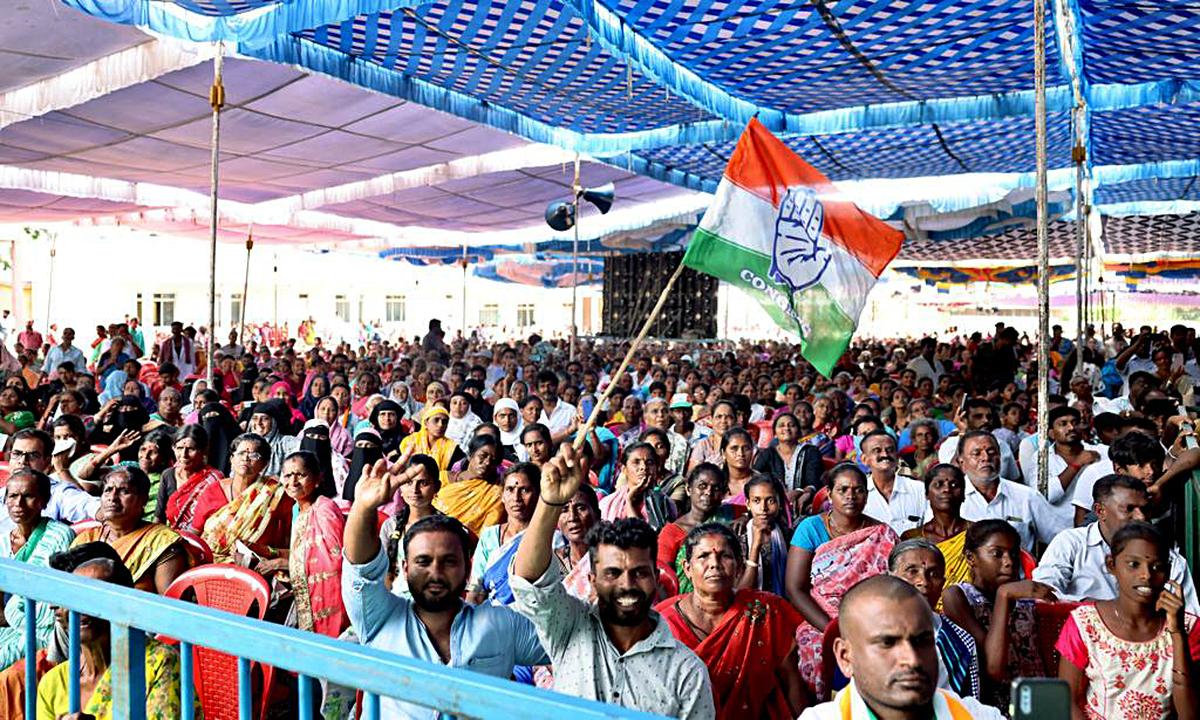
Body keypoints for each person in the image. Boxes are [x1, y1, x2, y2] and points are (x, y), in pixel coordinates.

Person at [510, 443, 716, 719]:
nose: (626, 584)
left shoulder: (686, 671)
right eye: (612, 573)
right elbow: (530, 581)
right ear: (593, 580)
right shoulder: (569, 628)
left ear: (656, 578)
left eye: (640, 573)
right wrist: (550, 503)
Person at [341, 458, 548, 720]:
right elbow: (362, 569)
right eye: (423, 561)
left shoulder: (500, 624)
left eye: (449, 561)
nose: (435, 572)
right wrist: (363, 507)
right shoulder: (381, 619)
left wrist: (549, 507)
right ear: (405, 569)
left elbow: (564, 638)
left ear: (467, 568)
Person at [656, 523, 807, 719]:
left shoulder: (763, 611)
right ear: (687, 568)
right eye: (703, 556)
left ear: (739, 567)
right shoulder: (662, 624)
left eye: (725, 556)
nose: (714, 564)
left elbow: (791, 680)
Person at [800, 576, 1002, 720]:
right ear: (845, 657)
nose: (912, 659)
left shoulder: (978, 716)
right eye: (887, 643)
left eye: (922, 641)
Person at [35, 547, 198, 719]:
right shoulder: (53, 683)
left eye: (96, 596)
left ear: (125, 606)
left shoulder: (158, 663)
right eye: (76, 597)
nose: (83, 607)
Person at [1057, 522, 1198, 720]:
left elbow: (1189, 714)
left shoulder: (1188, 628)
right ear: (1111, 565)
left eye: (1158, 567)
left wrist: (1177, 633)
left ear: (1168, 571)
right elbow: (1066, 702)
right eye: (1133, 564)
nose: (1146, 575)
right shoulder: (1085, 623)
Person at [785, 463, 898, 696]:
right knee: (817, 653)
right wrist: (832, 630)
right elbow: (795, 589)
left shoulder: (882, 534)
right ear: (829, 494)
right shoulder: (811, 528)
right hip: (820, 619)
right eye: (843, 489)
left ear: (867, 496)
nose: (851, 496)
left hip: (870, 619)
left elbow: (892, 586)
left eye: (858, 490)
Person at [1034, 474, 1200, 614]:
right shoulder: (1070, 543)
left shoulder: (1170, 559)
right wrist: (1101, 608)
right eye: (1129, 509)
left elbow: (1190, 616)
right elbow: (1042, 592)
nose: (1141, 517)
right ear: (1100, 511)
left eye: (1145, 509)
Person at [941, 519, 1055, 710]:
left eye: (1013, 554)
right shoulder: (958, 597)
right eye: (997, 554)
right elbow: (993, 668)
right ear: (971, 558)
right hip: (995, 707)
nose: (1009, 562)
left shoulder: (1025, 598)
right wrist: (1004, 596)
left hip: (1037, 700)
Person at [888, 539, 981, 700]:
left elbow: (969, 705)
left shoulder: (960, 642)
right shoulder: (867, 631)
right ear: (890, 578)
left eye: (934, 574)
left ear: (943, 584)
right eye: (912, 571)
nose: (923, 582)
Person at [0, 469, 75, 669]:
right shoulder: (2, 540)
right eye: (13, 496)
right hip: (7, 625)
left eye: (28, 496)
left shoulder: (60, 535)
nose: (19, 503)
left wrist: (10, 615)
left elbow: (48, 603)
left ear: (44, 501)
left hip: (39, 630)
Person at [72, 466, 188, 594]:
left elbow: (168, 605)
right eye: (108, 490)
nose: (113, 497)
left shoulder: (162, 542)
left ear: (143, 500)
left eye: (124, 491)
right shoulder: (86, 539)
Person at [955, 430, 1063, 552]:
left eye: (991, 452)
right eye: (976, 453)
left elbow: (1058, 538)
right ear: (962, 463)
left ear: (1000, 457)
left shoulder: (1026, 497)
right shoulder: (950, 499)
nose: (985, 458)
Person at [280, 451, 349, 638]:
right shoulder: (298, 508)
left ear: (318, 479)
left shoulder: (324, 508)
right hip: (305, 591)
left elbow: (334, 560)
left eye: (301, 475)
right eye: (287, 475)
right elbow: (303, 550)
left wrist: (281, 564)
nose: (293, 482)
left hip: (328, 594)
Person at [199, 434, 294, 568]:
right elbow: (195, 533)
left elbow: (293, 547)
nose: (246, 458)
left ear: (264, 464)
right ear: (231, 459)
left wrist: (266, 554)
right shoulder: (212, 491)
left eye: (254, 455)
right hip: (209, 566)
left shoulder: (275, 494)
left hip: (256, 568)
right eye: (241, 453)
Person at [466, 462, 541, 605]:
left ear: (538, 494)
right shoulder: (489, 536)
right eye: (510, 490)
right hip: (493, 618)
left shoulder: (549, 537)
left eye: (524, 490)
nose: (516, 498)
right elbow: (476, 590)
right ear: (502, 496)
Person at [658, 463, 734, 592]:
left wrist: (745, 517)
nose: (708, 492)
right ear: (688, 489)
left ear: (723, 494)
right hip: (684, 601)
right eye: (702, 486)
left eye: (715, 488)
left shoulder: (730, 514)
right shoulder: (672, 532)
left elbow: (756, 509)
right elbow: (664, 578)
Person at [902, 463, 972, 601]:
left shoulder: (978, 534)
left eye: (954, 485)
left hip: (971, 611)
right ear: (927, 494)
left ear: (964, 494)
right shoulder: (911, 538)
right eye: (939, 484)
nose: (947, 489)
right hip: (926, 612)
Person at [433, 433, 503, 535]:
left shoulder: (494, 496)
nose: (487, 463)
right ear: (470, 455)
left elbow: (486, 536)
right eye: (483, 456)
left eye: (493, 460)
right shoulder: (441, 478)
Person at [861, 430, 927, 536]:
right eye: (877, 450)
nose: (885, 454)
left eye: (890, 450)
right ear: (864, 459)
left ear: (897, 457)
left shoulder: (919, 489)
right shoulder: (858, 494)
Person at [157, 425, 223, 529]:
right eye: (179, 448)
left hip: (202, 540)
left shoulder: (214, 480)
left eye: (191, 449)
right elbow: (159, 517)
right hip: (171, 537)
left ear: (204, 450)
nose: (184, 455)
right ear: (173, 449)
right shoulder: (168, 475)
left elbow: (217, 521)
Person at [599, 441, 676, 530]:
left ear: (656, 467)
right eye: (636, 462)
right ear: (624, 469)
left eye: (650, 462)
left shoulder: (666, 504)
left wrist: (629, 501)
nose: (643, 467)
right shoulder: (607, 504)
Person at [399, 406, 465, 480]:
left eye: (444, 422)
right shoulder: (409, 442)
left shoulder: (452, 447)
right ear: (426, 423)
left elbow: (454, 473)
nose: (440, 425)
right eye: (436, 420)